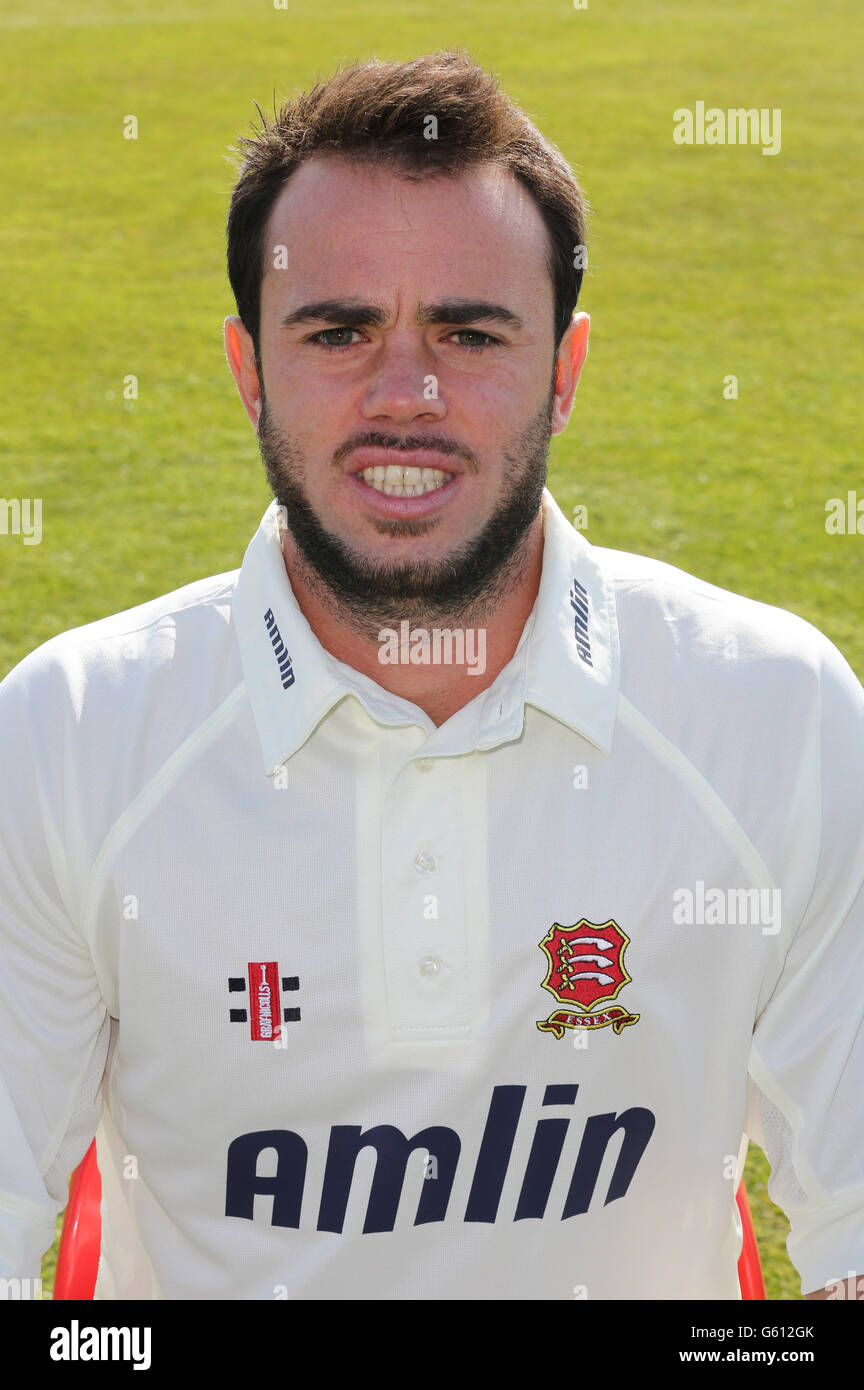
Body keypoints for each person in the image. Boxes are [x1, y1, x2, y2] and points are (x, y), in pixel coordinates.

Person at [0, 50, 861, 1301]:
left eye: (470, 331)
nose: (406, 394)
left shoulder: (779, 717)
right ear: (249, 372)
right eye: (339, 330)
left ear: (564, 374)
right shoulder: (63, 742)